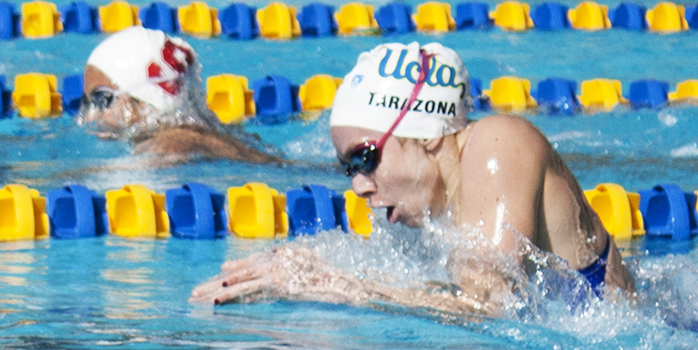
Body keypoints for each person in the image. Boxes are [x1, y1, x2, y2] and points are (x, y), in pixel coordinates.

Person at [192, 42, 635, 315]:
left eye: (364, 158)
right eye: (349, 169)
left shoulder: (499, 143)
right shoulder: (436, 218)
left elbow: (491, 308)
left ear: (422, 131)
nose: (358, 185)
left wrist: (335, 286)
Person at [80, 26, 281, 164]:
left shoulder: (169, 146)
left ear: (143, 98)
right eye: (85, 101)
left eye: (101, 99)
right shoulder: (199, 134)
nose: (89, 116)